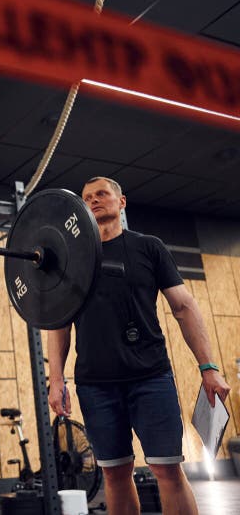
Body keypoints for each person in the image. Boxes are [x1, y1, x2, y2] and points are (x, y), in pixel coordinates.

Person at [48, 176, 231, 515]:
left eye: (102, 194)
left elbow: (184, 307)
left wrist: (209, 368)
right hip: (95, 384)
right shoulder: (73, 258)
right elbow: (60, 323)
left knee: (167, 469)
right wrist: (56, 380)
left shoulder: (149, 247)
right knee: (114, 474)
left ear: (122, 202)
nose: (93, 200)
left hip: (150, 378)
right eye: (87, 197)